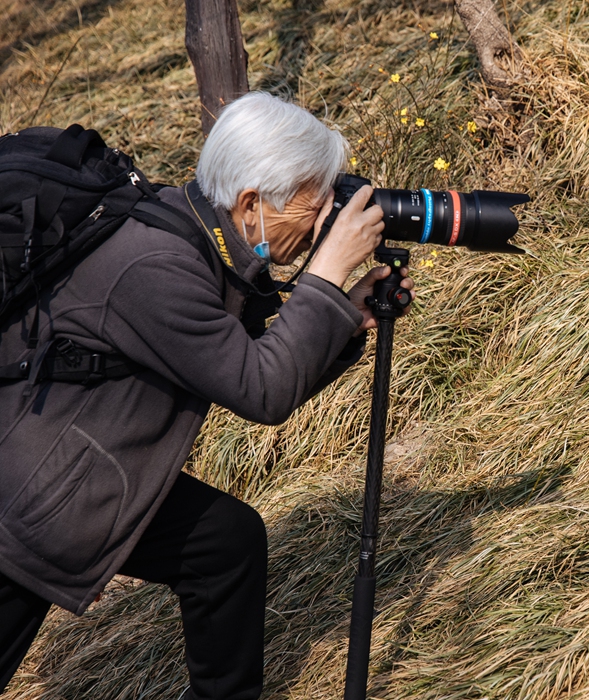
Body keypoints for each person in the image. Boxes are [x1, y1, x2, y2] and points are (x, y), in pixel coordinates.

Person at [0, 91, 413, 699]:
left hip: (92, 472)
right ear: (251, 203)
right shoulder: (155, 267)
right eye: (315, 199)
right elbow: (263, 392)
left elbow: (252, 370)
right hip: (33, 505)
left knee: (225, 545)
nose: (325, 218)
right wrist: (327, 276)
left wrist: (343, 323)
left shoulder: (190, 233)